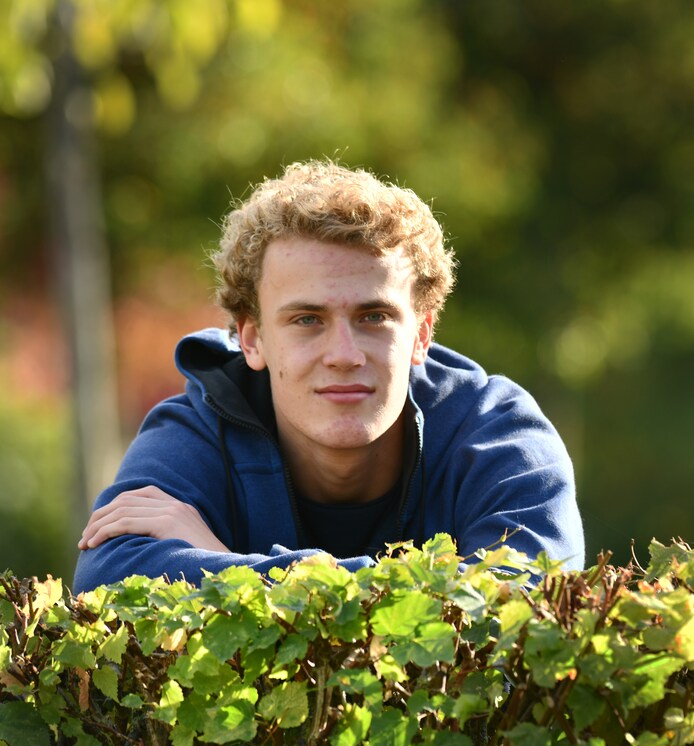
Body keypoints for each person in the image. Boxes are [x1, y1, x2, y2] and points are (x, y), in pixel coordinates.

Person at [73, 160, 584, 593]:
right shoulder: (199, 429)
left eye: (374, 317)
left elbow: (526, 598)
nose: (343, 355)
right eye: (307, 320)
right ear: (251, 340)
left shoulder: (498, 434)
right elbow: (108, 578)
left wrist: (227, 568)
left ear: (422, 335)